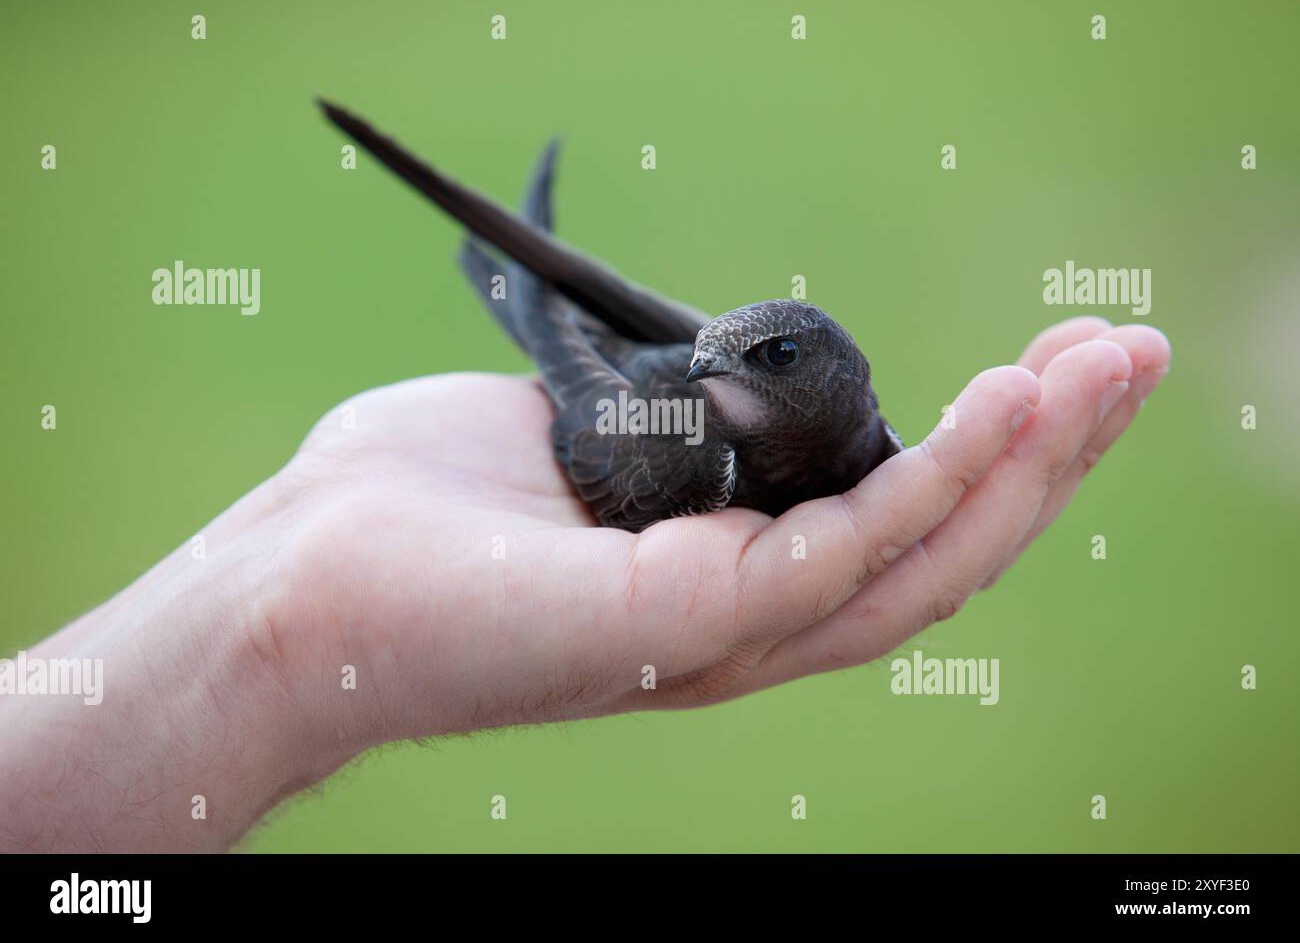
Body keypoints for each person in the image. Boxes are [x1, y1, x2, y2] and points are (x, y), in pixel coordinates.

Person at [0, 317, 1169, 852]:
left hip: (655, 374)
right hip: (612, 393)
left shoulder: (866, 443)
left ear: (834, 379)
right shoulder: (689, 448)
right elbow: (610, 387)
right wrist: (284, 631)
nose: (720, 369)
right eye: (719, 357)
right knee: (591, 331)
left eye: (761, 359)